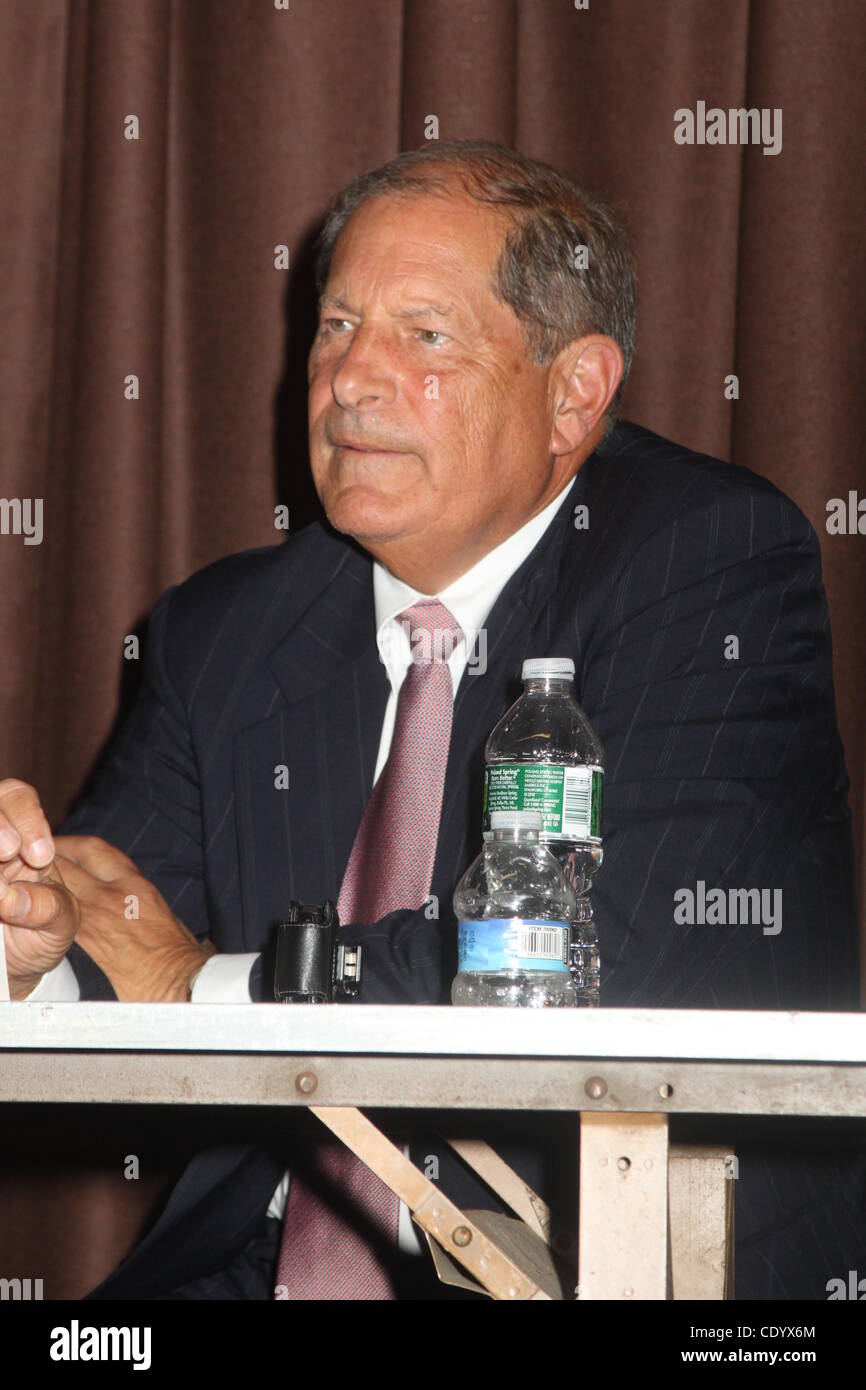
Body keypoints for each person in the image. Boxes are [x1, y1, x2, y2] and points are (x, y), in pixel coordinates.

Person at [0, 140, 862, 1300]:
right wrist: (32, 945)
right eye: (334, 326)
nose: (350, 378)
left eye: (425, 336)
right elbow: (117, 933)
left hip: (620, 1263)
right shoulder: (227, 628)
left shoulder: (703, 562)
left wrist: (213, 990)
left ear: (573, 394)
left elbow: (591, 961)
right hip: (255, 1270)